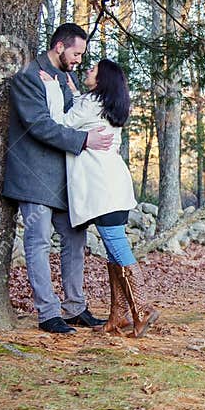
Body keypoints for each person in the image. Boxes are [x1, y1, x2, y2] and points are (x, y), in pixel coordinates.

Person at [2, 23, 113, 334]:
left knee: (75, 238)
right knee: (37, 241)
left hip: (67, 175)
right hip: (33, 173)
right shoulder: (28, 76)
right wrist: (83, 141)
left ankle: (75, 307)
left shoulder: (67, 77)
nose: (79, 60)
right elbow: (38, 124)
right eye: (76, 53)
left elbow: (73, 115)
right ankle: (48, 312)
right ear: (60, 47)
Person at [40, 58, 161, 338]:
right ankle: (118, 315)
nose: (87, 70)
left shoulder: (91, 103)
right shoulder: (107, 104)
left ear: (102, 78)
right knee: (113, 250)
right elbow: (84, 114)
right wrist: (73, 91)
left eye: (93, 69)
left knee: (117, 247)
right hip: (115, 184)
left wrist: (54, 90)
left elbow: (60, 123)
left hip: (101, 188)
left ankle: (142, 308)